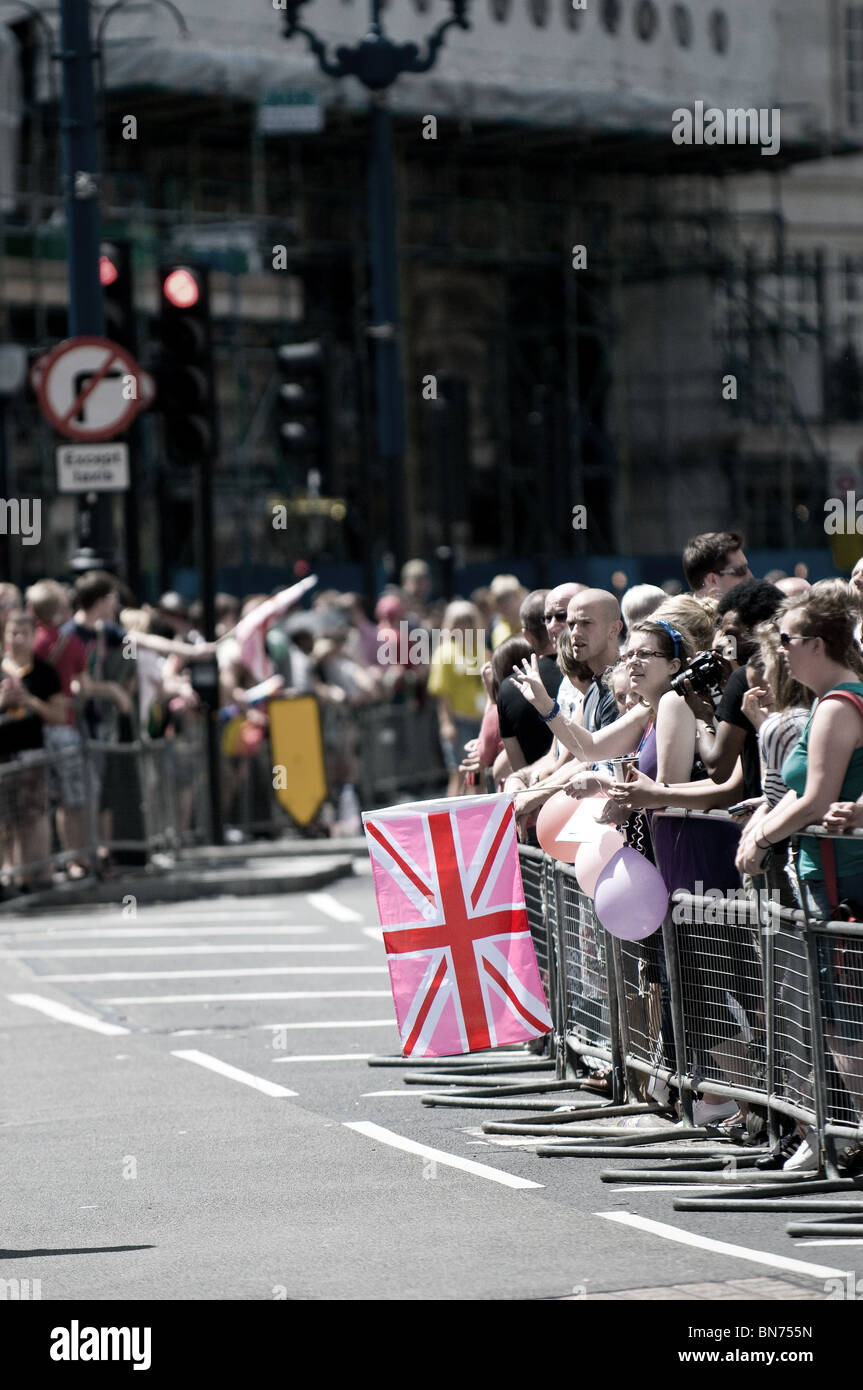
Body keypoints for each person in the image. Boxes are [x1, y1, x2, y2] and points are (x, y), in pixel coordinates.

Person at [736, 580, 863, 1170]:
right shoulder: (826, 703)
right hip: (825, 877)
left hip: (841, 884)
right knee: (837, 1018)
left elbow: (814, 799)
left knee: (846, 1020)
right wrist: (763, 821)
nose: (780, 649)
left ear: (816, 643)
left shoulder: (839, 704)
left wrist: (761, 836)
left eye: (787, 639)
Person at [0, 610, 66, 891]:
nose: (17, 639)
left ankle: (35, 874)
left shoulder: (45, 672)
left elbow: (60, 714)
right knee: (5, 820)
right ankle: (10, 876)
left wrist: (31, 701)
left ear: (33, 636)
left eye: (23, 634)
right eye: (12, 633)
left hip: (31, 753)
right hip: (3, 757)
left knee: (33, 815)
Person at [427, 599, 487, 797]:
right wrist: (446, 723)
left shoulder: (481, 650)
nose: (464, 626)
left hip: (482, 719)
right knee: (459, 774)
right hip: (459, 721)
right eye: (459, 622)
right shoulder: (445, 652)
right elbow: (441, 692)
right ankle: (452, 820)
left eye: (468, 621)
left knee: (479, 774)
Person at [682, 531, 752, 600]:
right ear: (712, 580)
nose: (750, 576)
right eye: (741, 570)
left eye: (746, 567)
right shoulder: (681, 611)